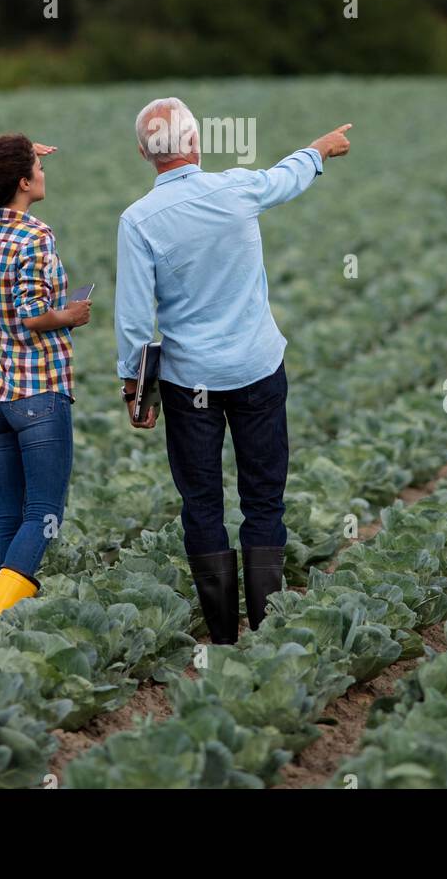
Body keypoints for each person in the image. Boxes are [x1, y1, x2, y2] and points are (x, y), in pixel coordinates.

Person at [114, 97, 351, 644]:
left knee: (202, 503)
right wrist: (318, 150)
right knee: (264, 498)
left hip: (188, 381)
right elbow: (284, 179)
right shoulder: (237, 189)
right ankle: (266, 631)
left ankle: (223, 637)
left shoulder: (137, 221)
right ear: (195, 144)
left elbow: (133, 315)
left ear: (143, 153)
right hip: (257, 369)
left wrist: (134, 386)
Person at [0, 132, 91, 628]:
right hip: (37, 395)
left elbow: (8, 312)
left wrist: (18, 148)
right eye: (37, 165)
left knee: (7, 516)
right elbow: (33, 316)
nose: (44, 171)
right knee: (43, 517)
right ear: (22, 180)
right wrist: (72, 314)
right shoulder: (34, 235)